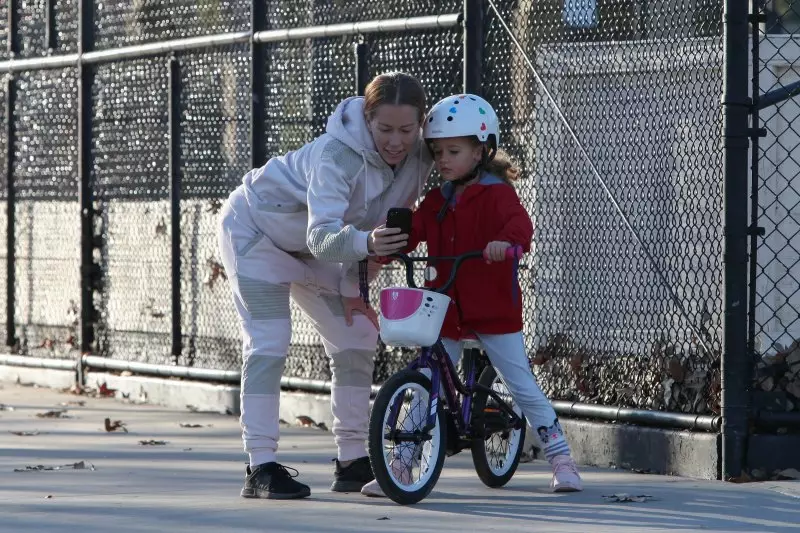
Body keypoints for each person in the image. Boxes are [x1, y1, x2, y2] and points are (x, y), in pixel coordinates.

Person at [217, 72, 432, 500]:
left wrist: (355, 286)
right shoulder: (338, 154)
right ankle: (259, 467)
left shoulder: (419, 157)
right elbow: (326, 234)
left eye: (406, 130)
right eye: (384, 129)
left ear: (421, 124)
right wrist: (366, 244)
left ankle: (352, 460)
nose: (395, 141)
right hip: (255, 234)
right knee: (269, 341)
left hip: (322, 253)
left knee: (357, 335)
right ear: (367, 120)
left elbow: (381, 223)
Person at [361, 93, 583, 497]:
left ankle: (561, 458)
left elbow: (520, 227)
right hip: (444, 308)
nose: (443, 160)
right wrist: (394, 241)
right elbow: (417, 230)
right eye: (438, 151)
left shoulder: (497, 194)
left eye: (454, 151)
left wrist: (506, 244)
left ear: (481, 150)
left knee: (520, 383)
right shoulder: (438, 199)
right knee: (426, 377)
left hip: (493, 308)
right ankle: (402, 465)